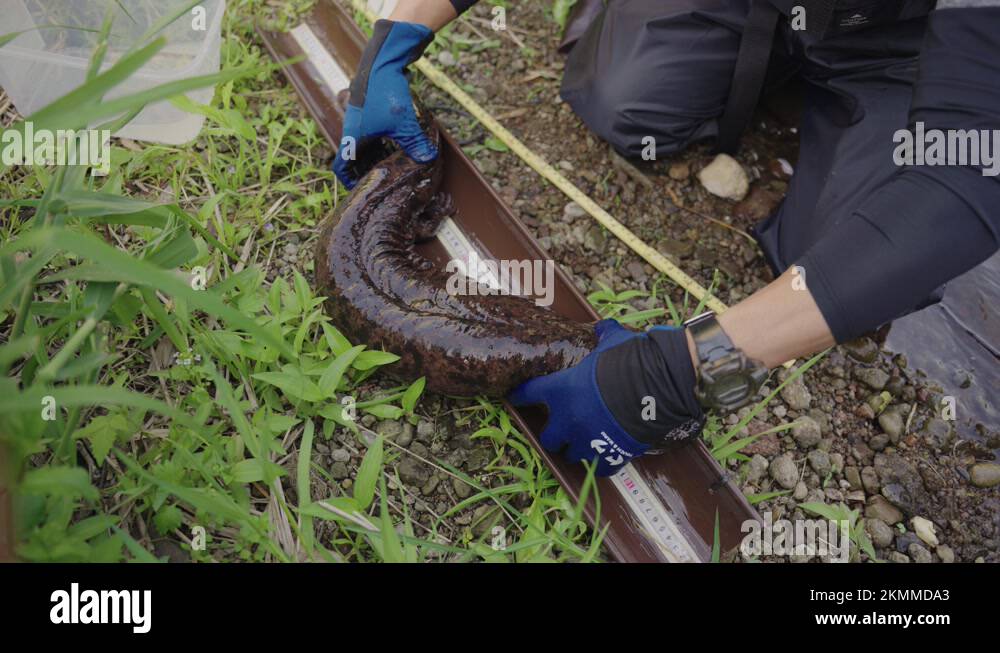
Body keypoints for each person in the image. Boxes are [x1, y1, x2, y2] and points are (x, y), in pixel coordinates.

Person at [332, 0, 1000, 476]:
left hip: (909, 46)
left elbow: (966, 175)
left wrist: (692, 367)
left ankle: (839, 99)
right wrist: (402, 31)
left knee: (850, 261)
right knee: (624, 97)